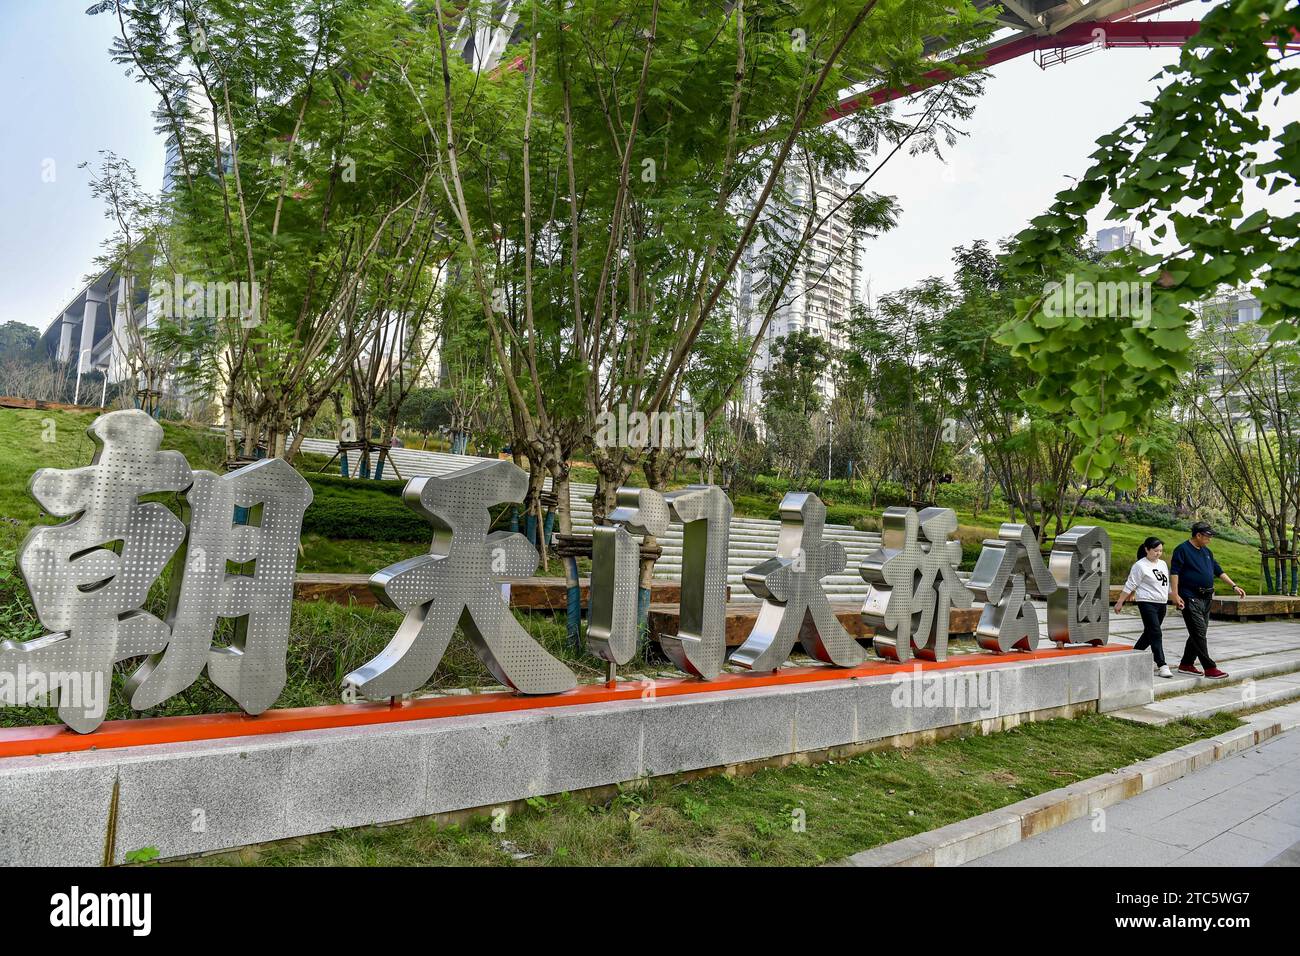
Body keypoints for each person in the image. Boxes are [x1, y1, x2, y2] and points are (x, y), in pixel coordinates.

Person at [1169, 521, 1245, 680]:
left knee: (1199, 633)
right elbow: (1174, 573)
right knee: (1199, 633)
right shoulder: (1182, 550)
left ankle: (1186, 664)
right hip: (1190, 597)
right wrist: (1175, 595)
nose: (1210, 539)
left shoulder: (1207, 552)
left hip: (1206, 598)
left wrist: (1234, 586)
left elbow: (1218, 571)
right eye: (1208, 536)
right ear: (1198, 535)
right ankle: (1209, 667)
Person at [1114, 536, 1173, 678]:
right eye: (1155, 550)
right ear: (1147, 549)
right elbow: (1131, 584)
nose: (1158, 553)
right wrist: (1120, 601)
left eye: (1160, 551)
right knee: (1156, 632)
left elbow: (1165, 584)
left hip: (1161, 602)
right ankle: (1162, 664)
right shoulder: (1140, 565)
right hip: (1146, 602)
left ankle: (1133, 656)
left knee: (1150, 633)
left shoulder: (1163, 564)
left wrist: (1175, 597)